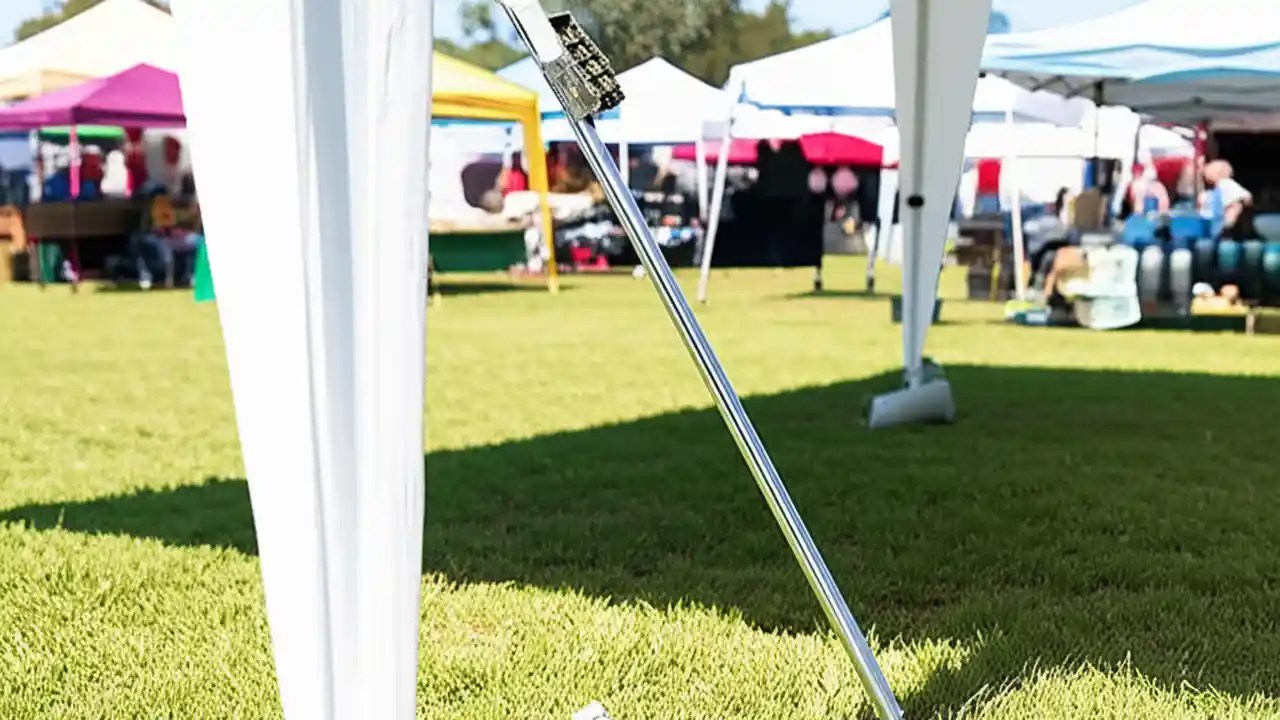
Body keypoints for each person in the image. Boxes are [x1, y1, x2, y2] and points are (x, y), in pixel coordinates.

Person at [1203, 159, 1253, 238]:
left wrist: (1229, 220)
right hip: (1212, 225)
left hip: (1223, 227)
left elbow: (1243, 199)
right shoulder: (1213, 190)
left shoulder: (1227, 184)